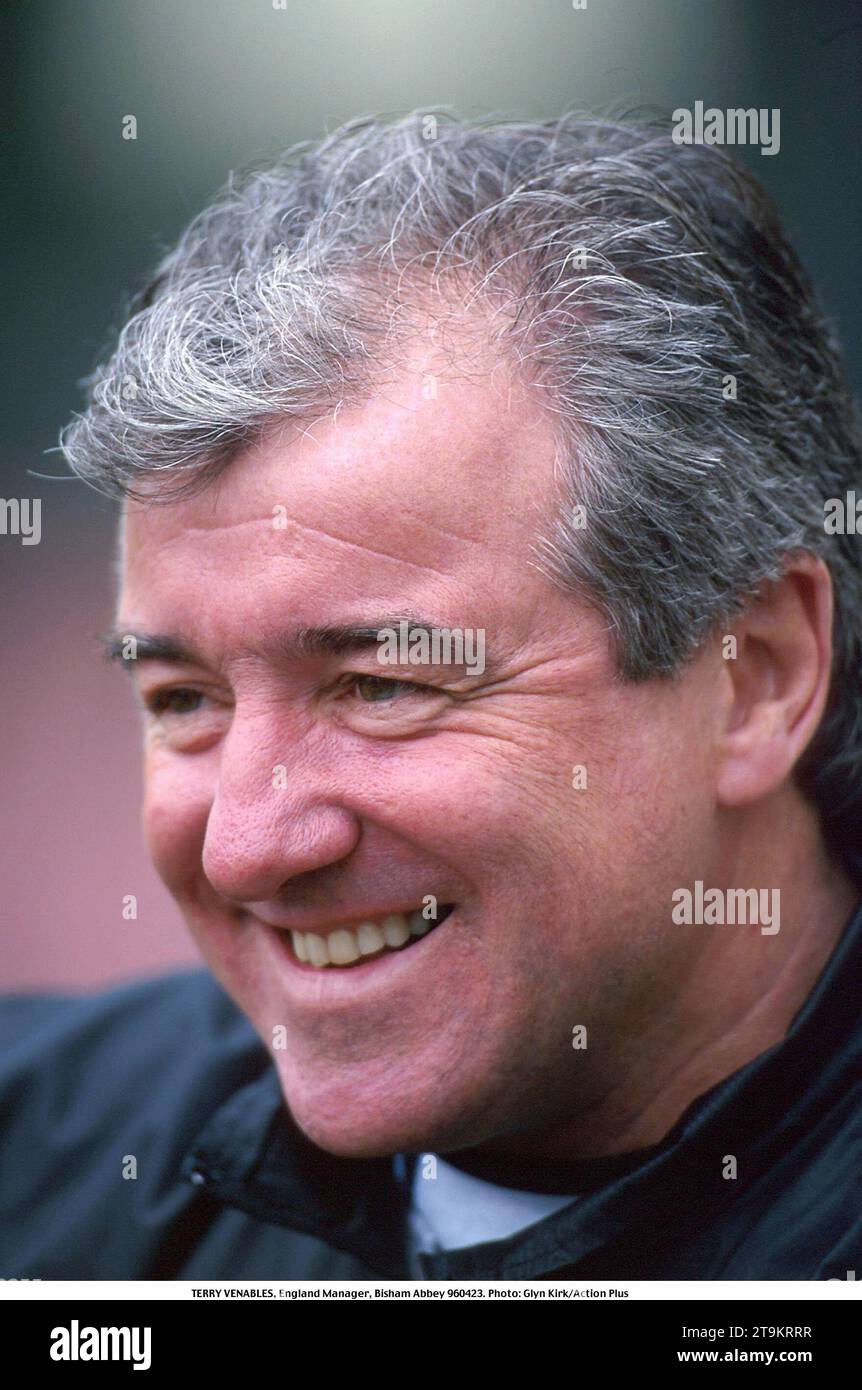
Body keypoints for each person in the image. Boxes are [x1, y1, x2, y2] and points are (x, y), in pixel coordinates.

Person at [3, 112, 860, 1281]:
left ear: (755, 678)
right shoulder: (39, 1155)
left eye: (380, 685)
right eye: (184, 699)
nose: (249, 845)